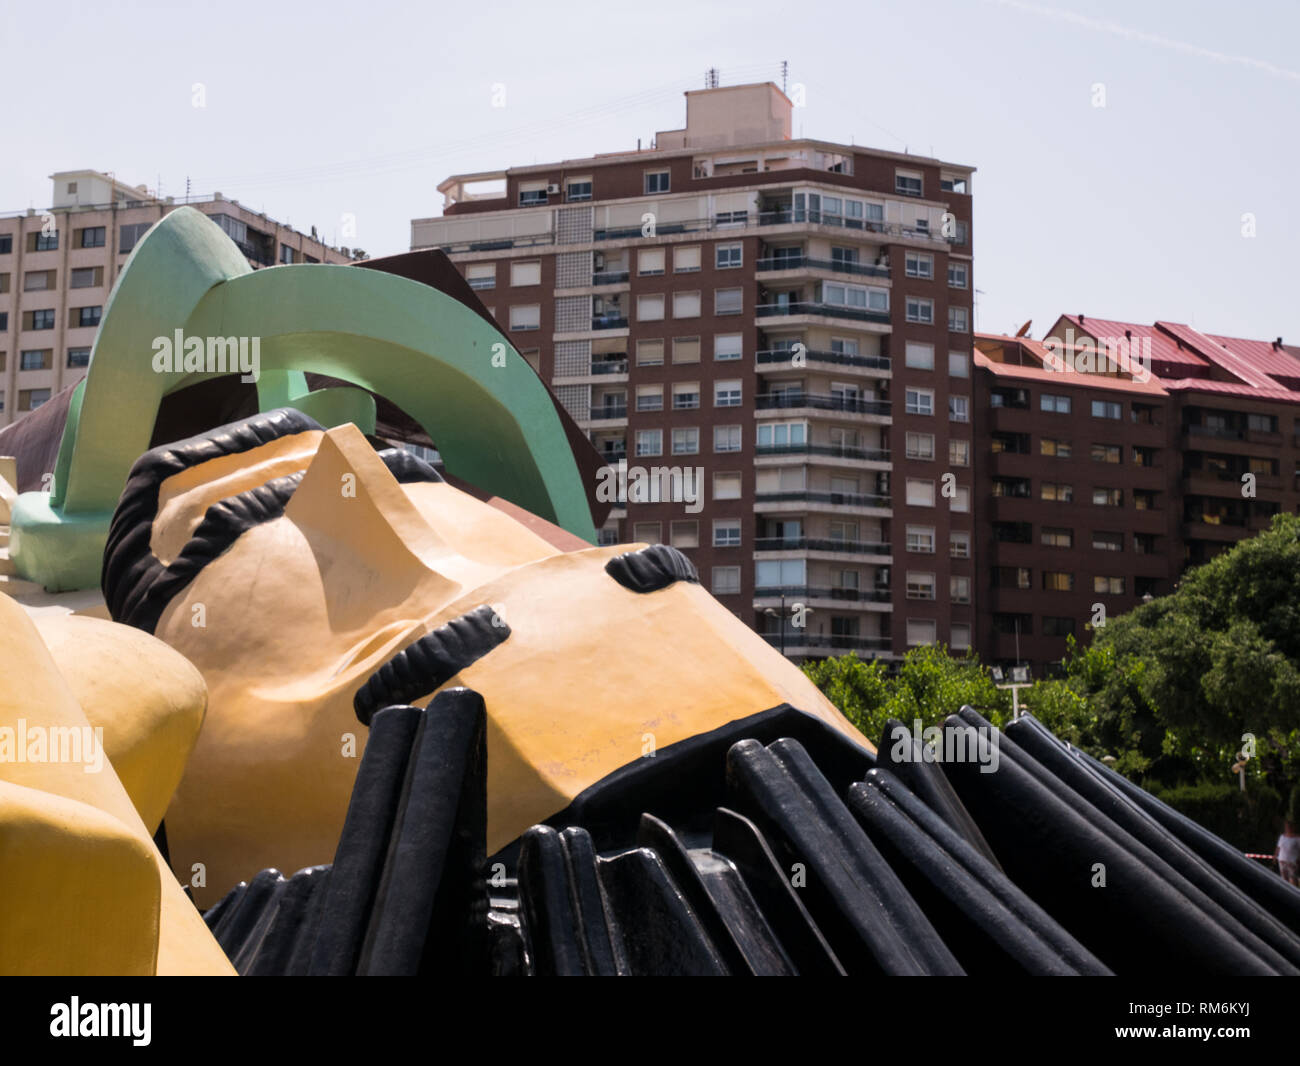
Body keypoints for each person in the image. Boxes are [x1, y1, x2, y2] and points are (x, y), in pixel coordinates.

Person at [1277, 821, 1300, 886]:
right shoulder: (1282, 836)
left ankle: (1295, 893)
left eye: (1289, 827)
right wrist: (1276, 856)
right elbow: (1278, 847)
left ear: (1293, 828)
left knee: (1293, 879)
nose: (1288, 828)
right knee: (1284, 880)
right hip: (1282, 861)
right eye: (1286, 827)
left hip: (1292, 862)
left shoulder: (1297, 838)